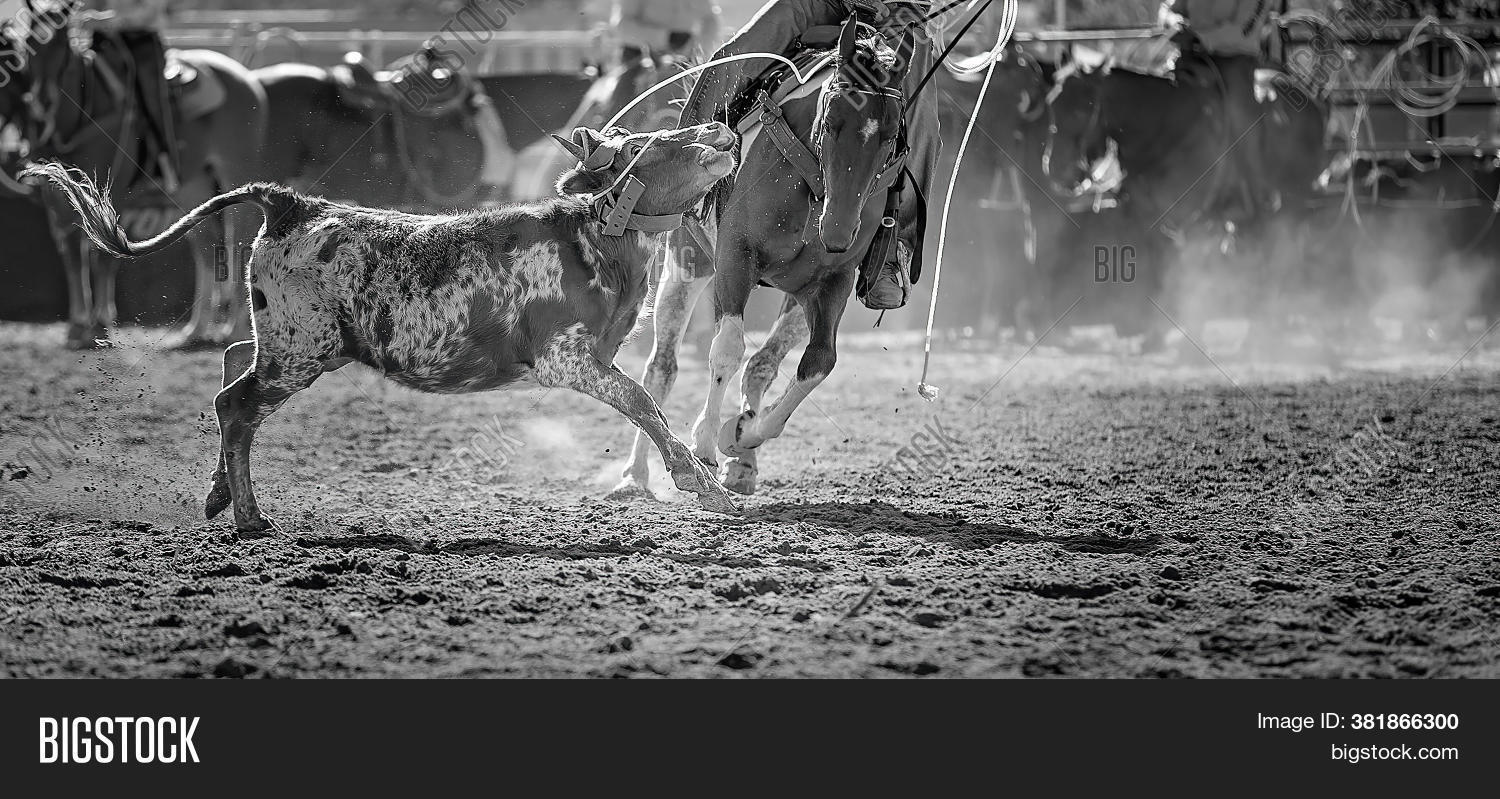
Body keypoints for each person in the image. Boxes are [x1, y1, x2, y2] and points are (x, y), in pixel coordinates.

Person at [679, 0, 939, 311]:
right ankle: (680, 168)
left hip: (902, 11)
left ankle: (891, 250)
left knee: (923, 125)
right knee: (733, 59)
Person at [1160, 0, 1274, 216]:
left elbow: (1245, 29)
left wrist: (1198, 36)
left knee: (1240, 117)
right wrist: (1173, 22)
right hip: (1190, 59)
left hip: (1234, 61)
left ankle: (1255, 193)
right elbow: (1169, 9)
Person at [82, 0, 176, 190]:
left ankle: (165, 165)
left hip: (141, 42)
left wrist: (101, 20)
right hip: (110, 41)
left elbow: (147, 11)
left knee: (151, 100)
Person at [591, 0, 724, 68]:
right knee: (623, 102)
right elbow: (622, 26)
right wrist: (664, 38)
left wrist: (699, 52)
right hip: (638, 59)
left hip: (684, 59)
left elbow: (710, 19)